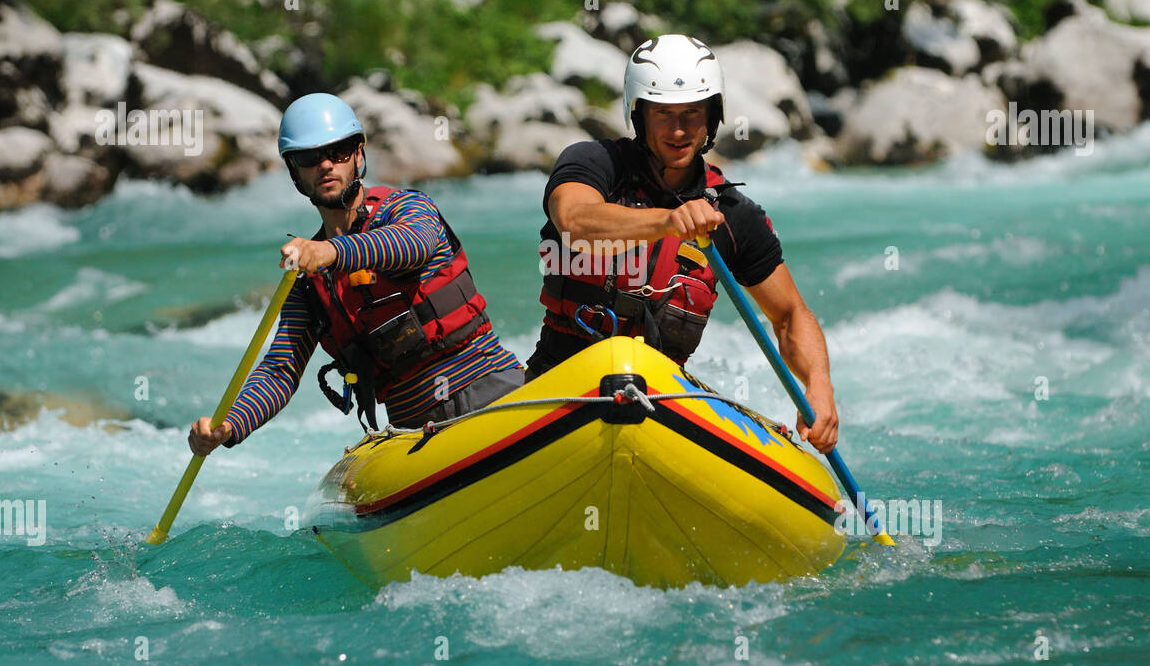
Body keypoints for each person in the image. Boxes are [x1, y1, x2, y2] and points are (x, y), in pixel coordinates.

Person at [525, 34, 840, 453]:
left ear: (713, 116)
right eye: (663, 114)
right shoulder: (594, 163)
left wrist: (818, 384)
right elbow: (574, 222)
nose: (679, 129)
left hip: (660, 401)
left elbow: (788, 316)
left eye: (693, 113)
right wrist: (667, 221)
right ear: (638, 114)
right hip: (558, 383)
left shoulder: (732, 213)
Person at [189, 93, 524, 455]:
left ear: (359, 154)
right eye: (309, 157)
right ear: (294, 171)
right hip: (413, 432)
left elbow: (414, 244)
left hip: (491, 386)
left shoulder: (408, 209)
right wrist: (228, 425)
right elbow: (280, 371)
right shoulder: (308, 284)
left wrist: (329, 252)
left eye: (340, 151)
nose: (327, 165)